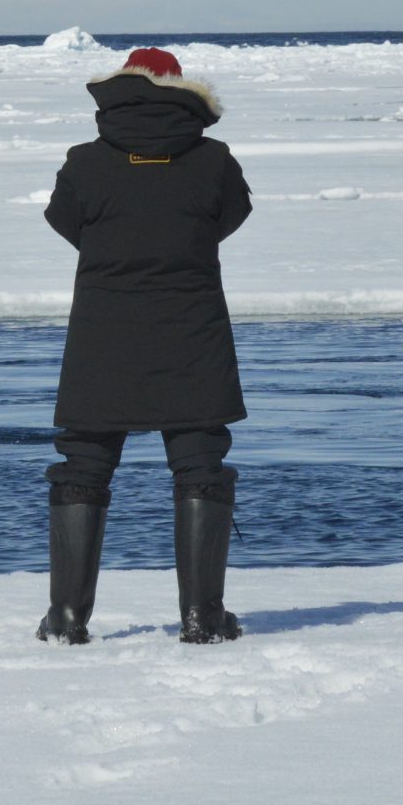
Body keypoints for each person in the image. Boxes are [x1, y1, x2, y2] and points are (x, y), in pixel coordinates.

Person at [38, 46, 253, 646]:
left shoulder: (85, 162)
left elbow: (65, 222)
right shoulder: (213, 160)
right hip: (192, 324)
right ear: (182, 90)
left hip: (103, 327)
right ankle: (202, 618)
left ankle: (67, 619)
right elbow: (230, 218)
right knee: (200, 459)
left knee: (84, 461)